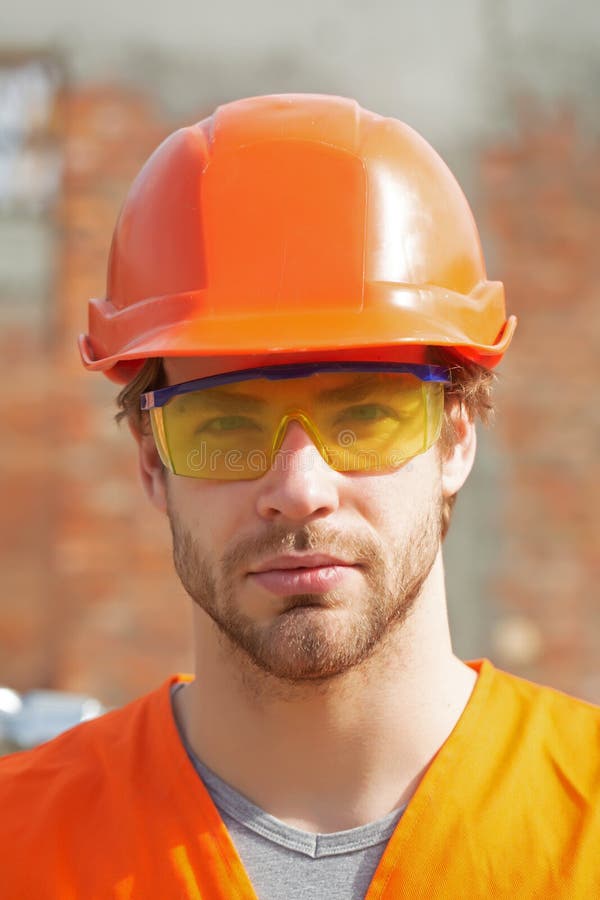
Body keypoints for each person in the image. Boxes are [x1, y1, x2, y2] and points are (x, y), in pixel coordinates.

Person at [0, 93, 598, 899]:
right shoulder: (19, 846)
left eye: (366, 414)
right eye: (223, 424)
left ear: (456, 437)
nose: (298, 490)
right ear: (150, 460)